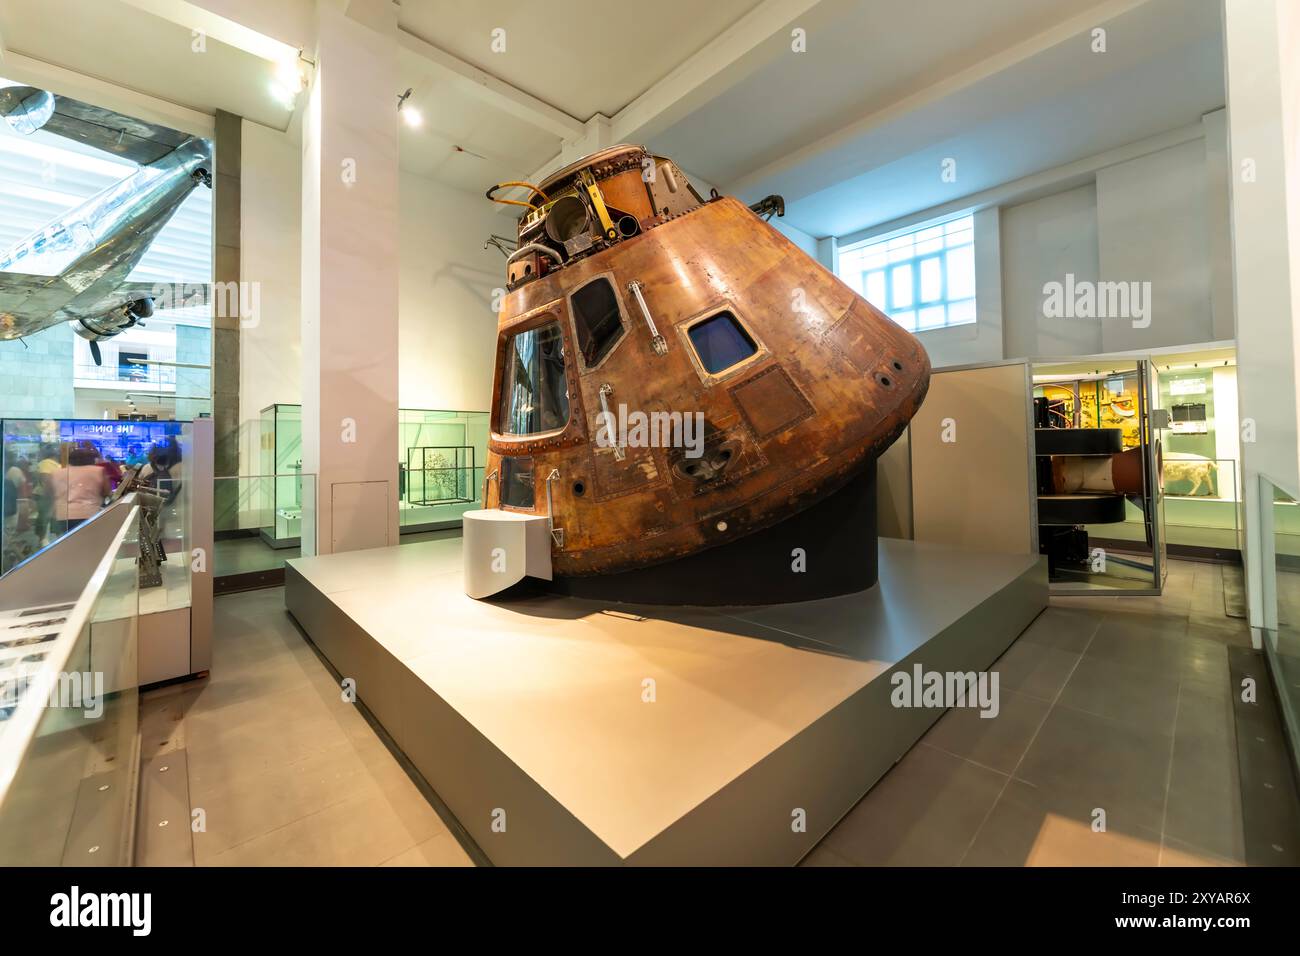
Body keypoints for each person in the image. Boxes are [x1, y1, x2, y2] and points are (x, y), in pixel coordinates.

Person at [50, 445, 111, 534]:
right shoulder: (98, 471)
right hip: (89, 513)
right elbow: (106, 492)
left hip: (62, 514)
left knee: (65, 543)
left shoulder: (57, 473)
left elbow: (51, 494)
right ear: (91, 459)